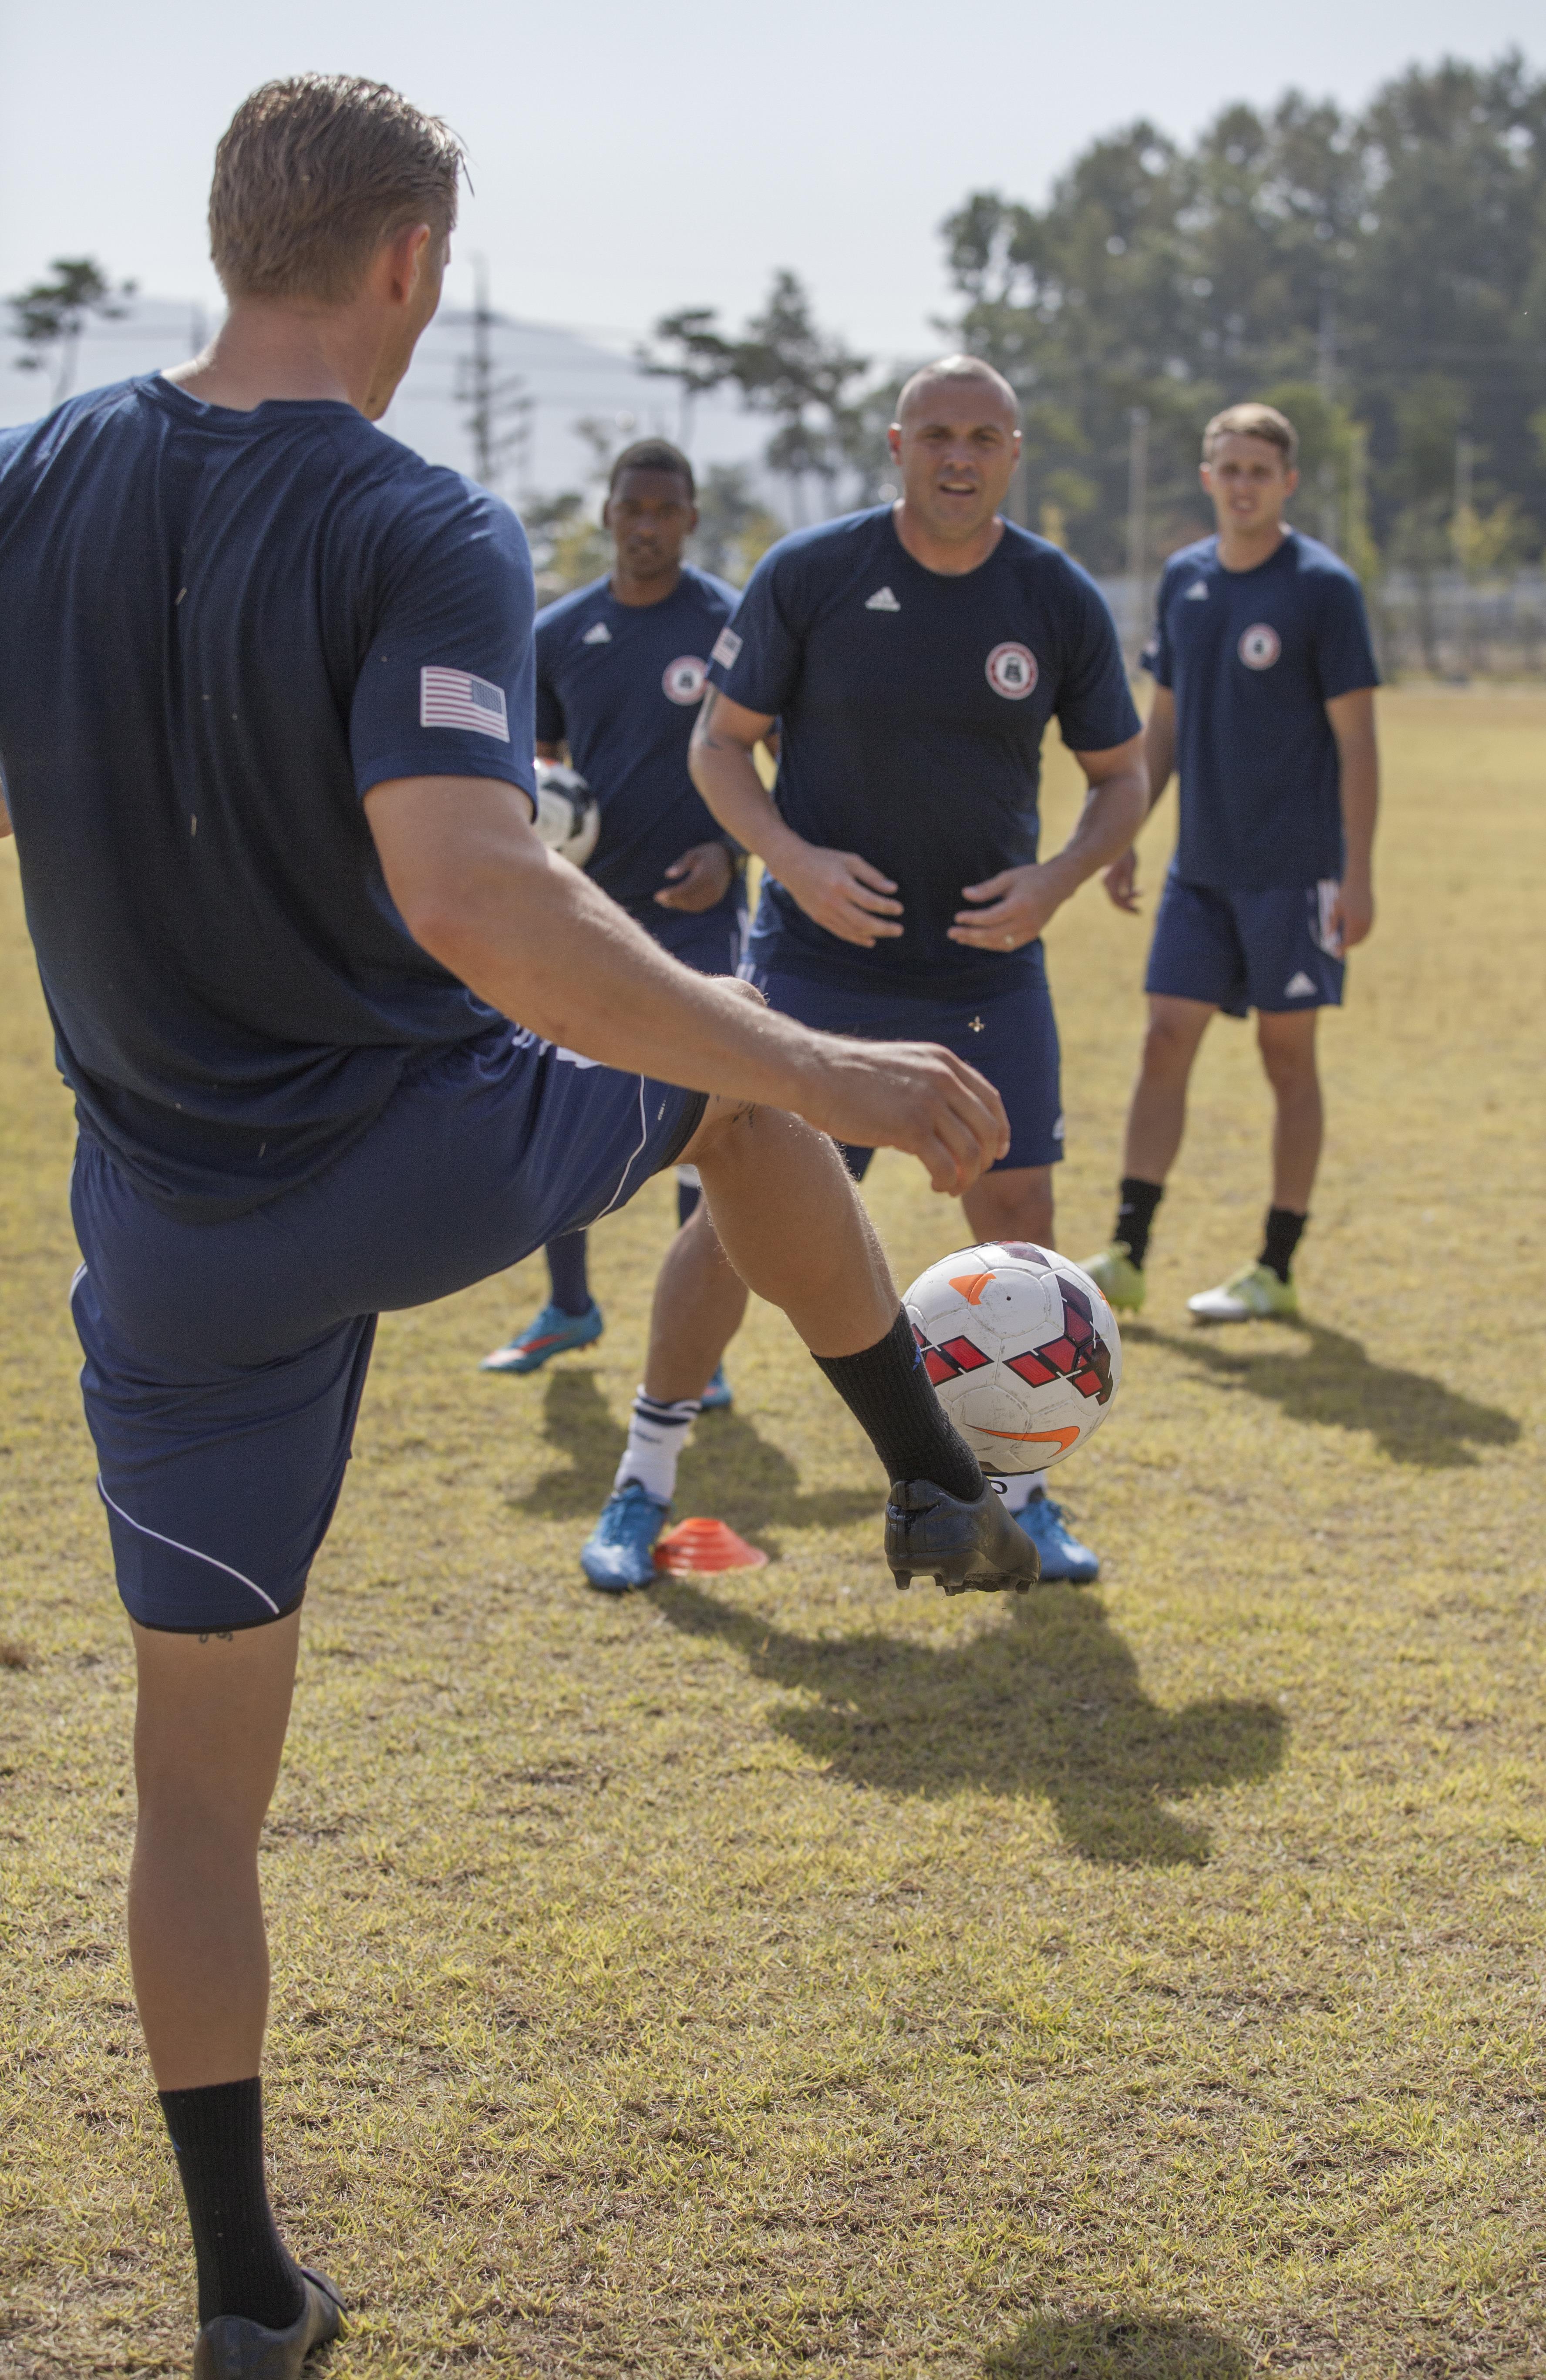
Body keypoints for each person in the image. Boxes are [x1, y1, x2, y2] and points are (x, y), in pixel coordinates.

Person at [0, 77, 1040, 2380]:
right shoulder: (421, 516)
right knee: (748, 1085)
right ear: (403, 265)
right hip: (408, 1148)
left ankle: (241, 2285)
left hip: (164, 1240)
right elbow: (475, 893)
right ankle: (934, 1480)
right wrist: (828, 1055)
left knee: (193, 1791)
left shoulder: (42, 471)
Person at [616, 354, 1149, 1594]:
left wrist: (1055, 881)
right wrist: (793, 862)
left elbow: (1121, 774)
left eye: (985, 435)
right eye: (938, 434)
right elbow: (721, 745)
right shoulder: (815, 572)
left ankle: (1023, 1495)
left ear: (1015, 453)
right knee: (732, 1234)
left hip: (985, 974)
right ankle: (641, 1479)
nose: (959, 455)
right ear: (899, 445)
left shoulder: (1054, 595)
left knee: (1019, 1232)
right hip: (817, 974)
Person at [1081, 402, 1379, 1322]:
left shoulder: (1322, 589)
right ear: (1208, 478)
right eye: (1229, 468)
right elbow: (1162, 723)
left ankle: (1276, 1264)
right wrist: (1128, 829)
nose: (1244, 484)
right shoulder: (1185, 579)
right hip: (1198, 872)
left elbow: (1359, 742)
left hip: (1295, 873)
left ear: (1287, 482)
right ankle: (1128, 1252)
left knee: (1286, 1058)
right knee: (1164, 1040)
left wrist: (1359, 873)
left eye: (1261, 469)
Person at [481, 438, 749, 1410]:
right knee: (558, 1097)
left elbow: (767, 765)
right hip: (587, 918)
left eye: (664, 510)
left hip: (700, 918)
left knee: (710, 1115)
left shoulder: (727, 625)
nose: (646, 526)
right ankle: (569, 1306)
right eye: (630, 508)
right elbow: (540, 774)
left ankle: (702, 1345)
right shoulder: (558, 633)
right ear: (607, 514)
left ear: (689, 517)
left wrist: (732, 854)